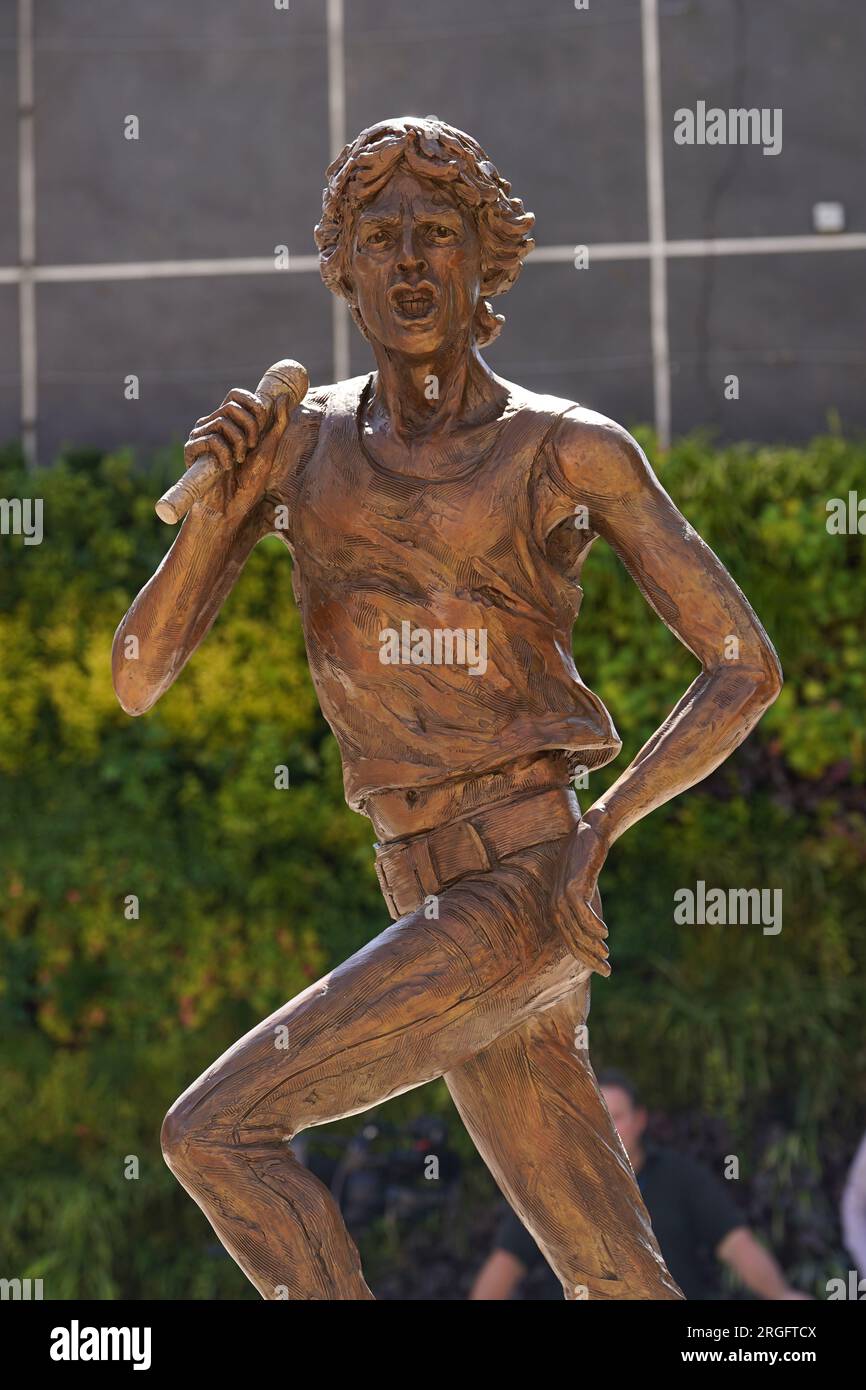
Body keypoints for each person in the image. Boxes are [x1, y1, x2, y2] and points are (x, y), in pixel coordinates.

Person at [112, 116, 782, 1301]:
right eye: (379, 238)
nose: (409, 263)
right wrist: (220, 507)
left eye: (437, 235)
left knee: (214, 1132)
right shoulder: (295, 444)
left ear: (487, 263)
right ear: (343, 267)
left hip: (518, 888)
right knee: (614, 1276)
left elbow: (742, 665)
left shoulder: (566, 449)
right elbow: (136, 676)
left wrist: (602, 832)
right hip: (420, 886)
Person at [471, 1071, 809, 1300]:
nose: (606, 1127)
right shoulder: (558, 1187)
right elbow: (505, 1263)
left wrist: (781, 1295)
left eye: (615, 1116)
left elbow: (736, 1244)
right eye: (595, 1116)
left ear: (639, 1120)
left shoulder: (680, 1177)